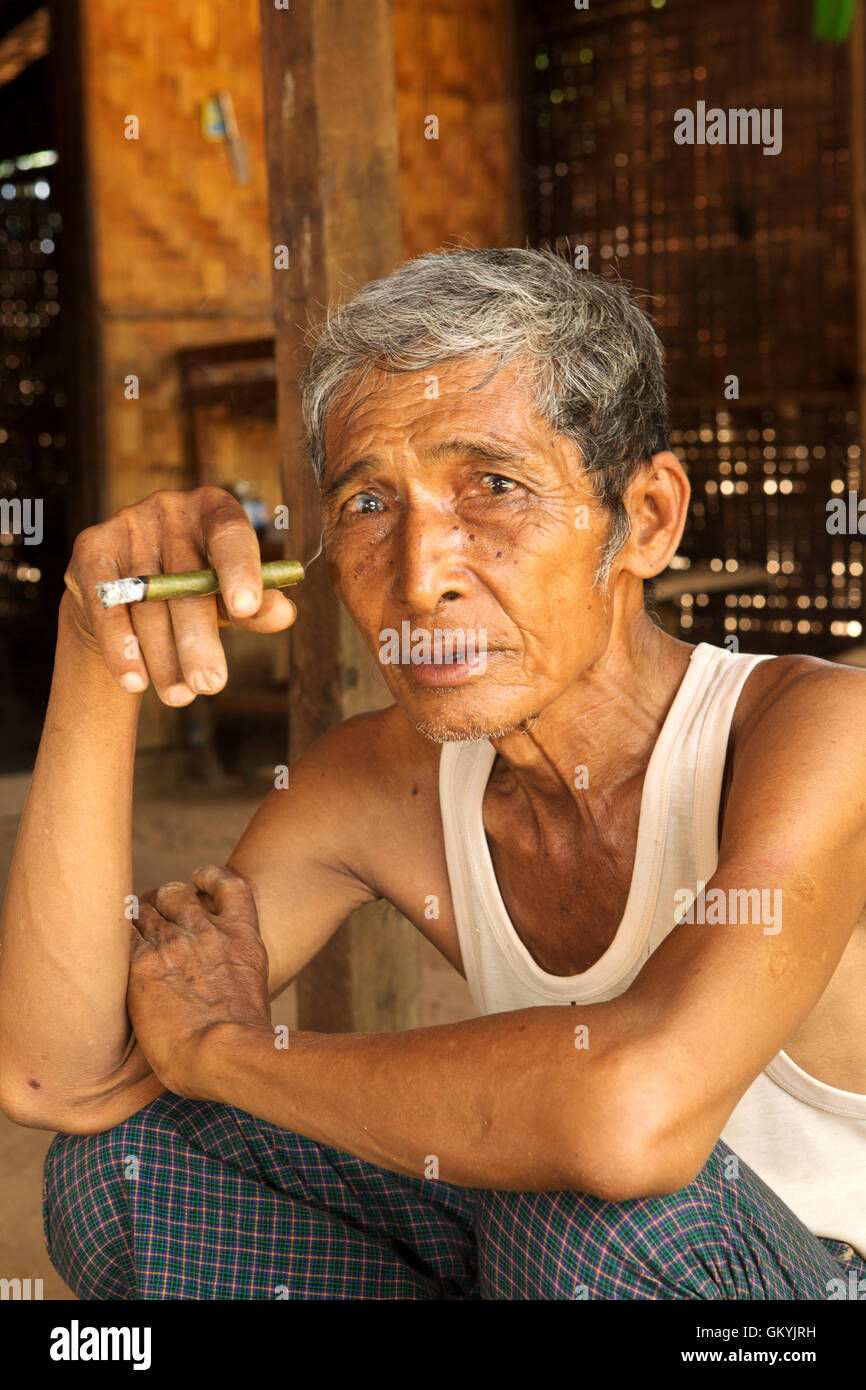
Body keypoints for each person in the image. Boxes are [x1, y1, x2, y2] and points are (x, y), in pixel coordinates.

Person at [2, 248, 865, 1300]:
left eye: (492, 487)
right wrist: (98, 652)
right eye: (369, 504)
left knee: (584, 1218)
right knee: (123, 1169)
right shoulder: (383, 783)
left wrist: (229, 1052)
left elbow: (628, 1117)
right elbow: (59, 1074)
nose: (418, 575)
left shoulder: (812, 731)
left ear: (645, 520)